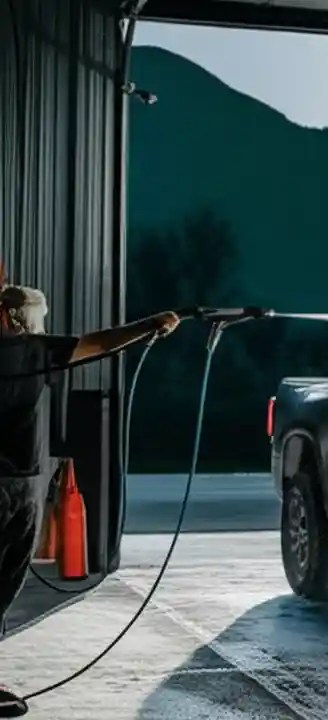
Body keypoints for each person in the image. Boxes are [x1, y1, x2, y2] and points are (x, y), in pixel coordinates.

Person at [0, 263, 182, 718]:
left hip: (22, 484)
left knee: (4, 585)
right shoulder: (33, 351)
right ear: (15, 318)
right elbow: (97, 343)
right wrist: (148, 326)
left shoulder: (33, 351)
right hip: (16, 485)